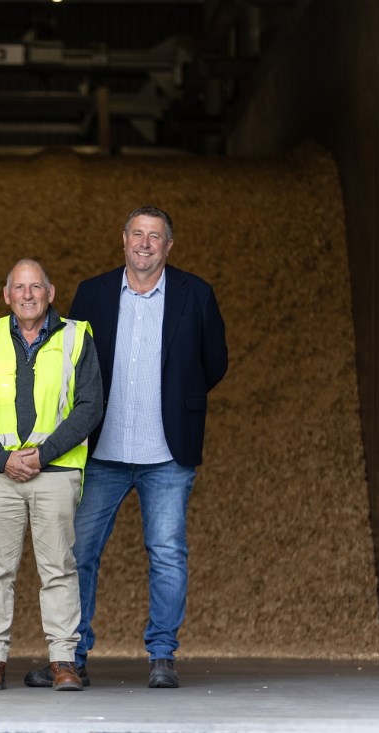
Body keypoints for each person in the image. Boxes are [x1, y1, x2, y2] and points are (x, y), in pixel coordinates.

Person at [24, 205, 227, 690]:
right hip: (102, 453)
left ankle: (162, 655)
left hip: (167, 453)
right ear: (123, 240)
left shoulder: (195, 293)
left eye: (155, 236)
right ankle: (70, 656)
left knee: (167, 552)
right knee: (79, 553)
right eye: (137, 234)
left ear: (168, 246)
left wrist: (181, 399)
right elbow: (71, 363)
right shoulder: (92, 293)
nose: (144, 243)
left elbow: (214, 362)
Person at [0, 259, 103, 692]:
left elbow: (89, 406)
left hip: (55, 472)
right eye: (18, 287)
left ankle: (63, 661)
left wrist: (43, 454)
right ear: (7, 295)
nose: (27, 294)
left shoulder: (78, 336)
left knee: (58, 568)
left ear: (50, 292)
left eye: (35, 287)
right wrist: (3, 458)